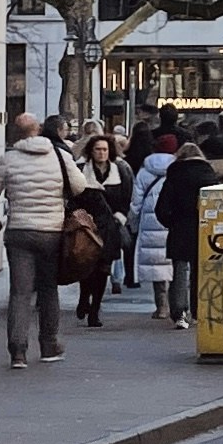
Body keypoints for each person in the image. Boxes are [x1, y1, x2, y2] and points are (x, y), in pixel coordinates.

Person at [0, 108, 90, 367]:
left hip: (19, 231)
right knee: (48, 289)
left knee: (19, 293)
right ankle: (49, 344)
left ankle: (18, 351)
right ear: (39, 129)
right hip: (51, 231)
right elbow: (80, 186)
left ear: (16, 133)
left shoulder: (9, 159)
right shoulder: (60, 156)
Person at [155, 119, 219, 328]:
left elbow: (162, 207)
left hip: (180, 228)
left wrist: (171, 222)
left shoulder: (174, 174)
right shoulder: (209, 175)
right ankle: (199, 310)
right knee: (201, 271)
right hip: (204, 228)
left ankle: (179, 313)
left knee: (179, 271)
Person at [75, 131, 130, 326]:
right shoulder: (81, 171)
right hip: (87, 228)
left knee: (103, 270)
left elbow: (126, 199)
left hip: (109, 228)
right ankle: (84, 299)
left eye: (105, 149)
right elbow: (73, 199)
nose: (101, 153)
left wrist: (119, 219)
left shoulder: (120, 171)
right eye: (97, 149)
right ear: (91, 151)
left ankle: (95, 310)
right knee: (87, 267)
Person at [127, 134, 176, 324]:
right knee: (174, 264)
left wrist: (133, 222)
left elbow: (136, 199)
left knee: (157, 266)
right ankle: (178, 305)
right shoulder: (177, 168)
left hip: (150, 220)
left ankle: (161, 307)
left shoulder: (145, 170)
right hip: (172, 220)